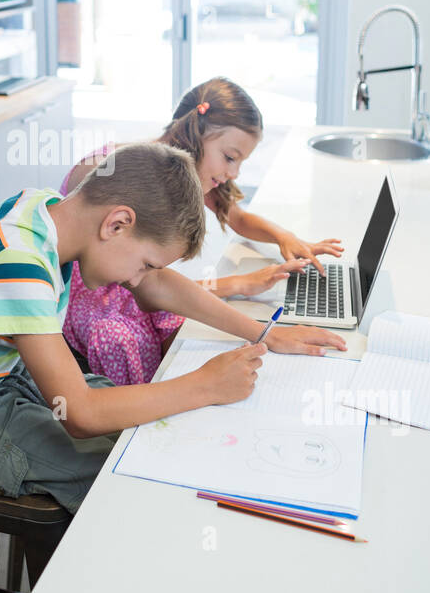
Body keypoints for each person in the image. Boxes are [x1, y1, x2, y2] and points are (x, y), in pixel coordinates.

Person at [0, 143, 275, 514]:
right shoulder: (19, 263)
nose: (140, 281)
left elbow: (156, 285)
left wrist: (262, 333)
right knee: (122, 472)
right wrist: (204, 384)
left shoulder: (50, 211)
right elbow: (80, 414)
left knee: (141, 429)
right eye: (145, 263)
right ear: (117, 224)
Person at [60, 76, 345, 385]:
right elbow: (148, 285)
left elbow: (234, 216)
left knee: (187, 342)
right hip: (99, 304)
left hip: (138, 289)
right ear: (196, 134)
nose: (233, 172)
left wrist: (284, 237)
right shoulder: (116, 173)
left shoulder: (185, 171)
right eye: (230, 157)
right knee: (132, 344)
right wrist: (237, 288)